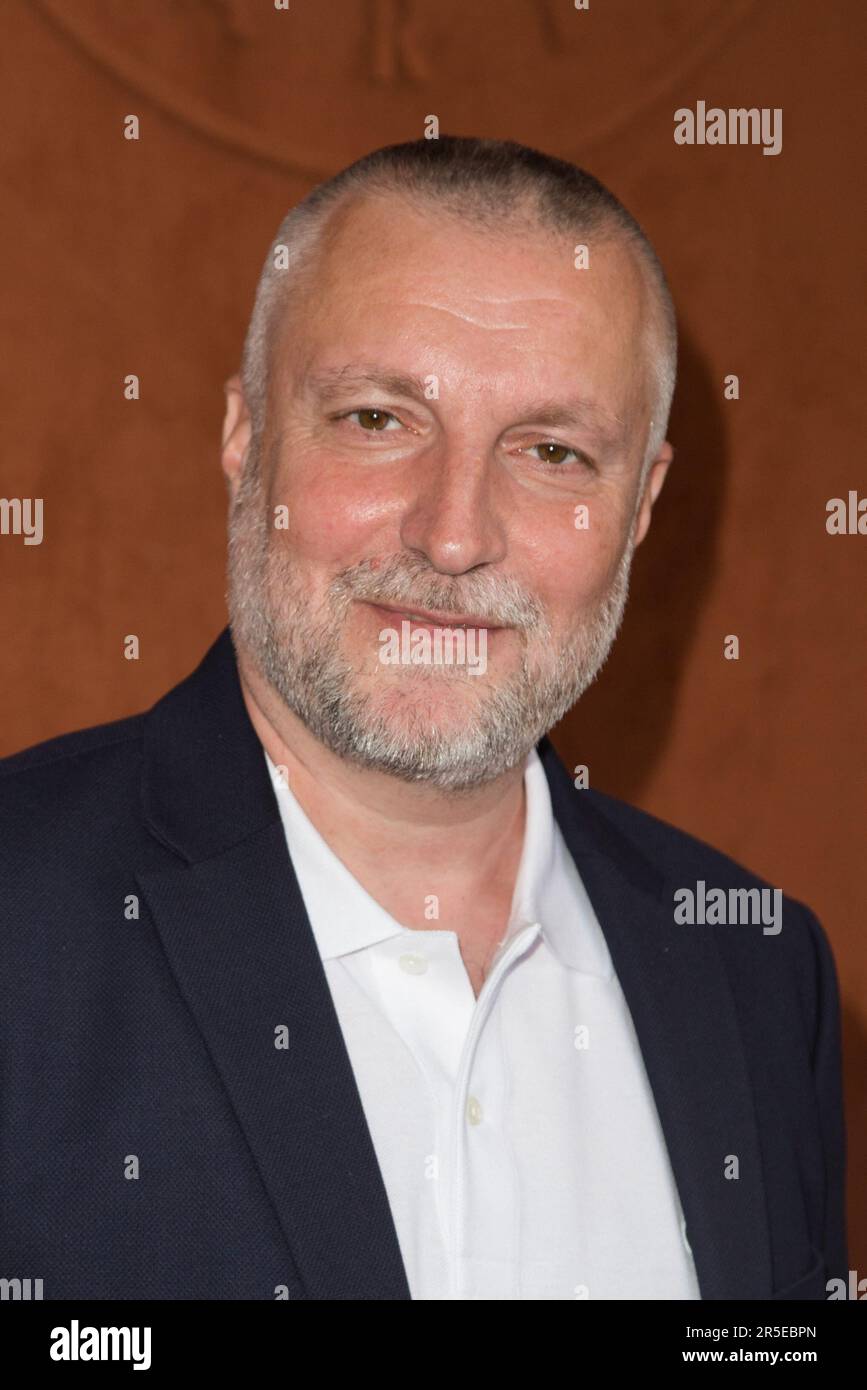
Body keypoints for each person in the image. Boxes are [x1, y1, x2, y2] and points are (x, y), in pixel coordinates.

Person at [0, 136, 846, 1300]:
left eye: (552, 452)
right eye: (376, 419)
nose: (453, 535)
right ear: (246, 440)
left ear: (642, 504)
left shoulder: (757, 970)